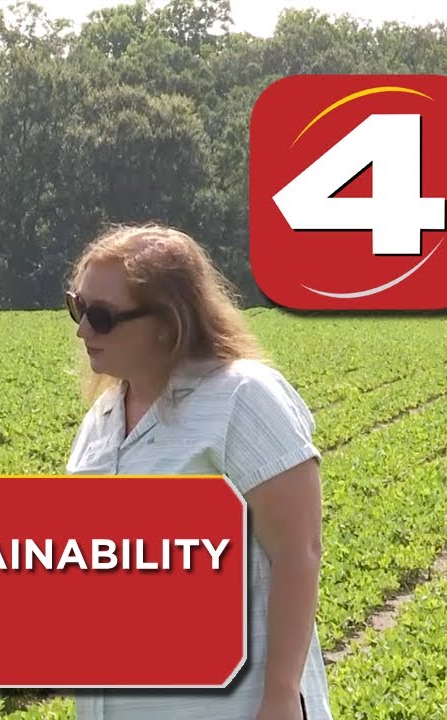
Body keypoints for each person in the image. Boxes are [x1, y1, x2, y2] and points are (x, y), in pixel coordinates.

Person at [63, 223, 331, 720]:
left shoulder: (242, 397)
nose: (82, 330)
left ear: (167, 320)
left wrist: (280, 696)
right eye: (77, 307)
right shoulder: (101, 420)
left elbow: (299, 551)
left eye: (101, 316)